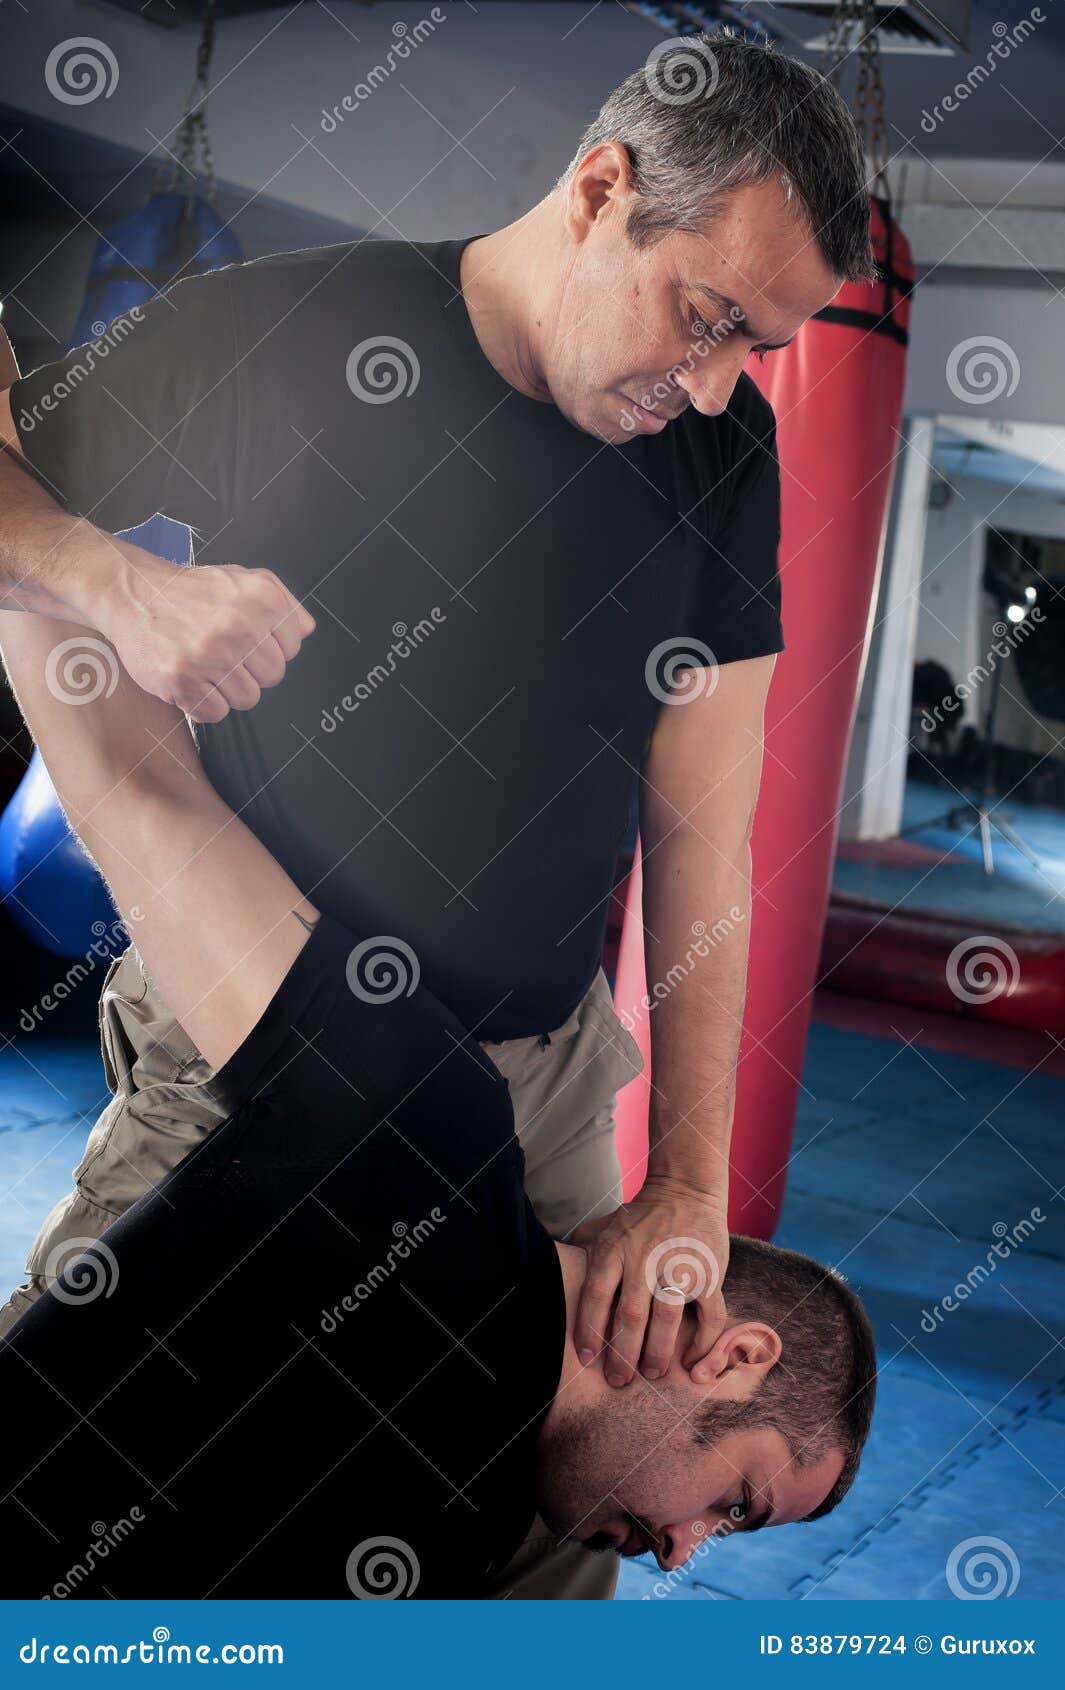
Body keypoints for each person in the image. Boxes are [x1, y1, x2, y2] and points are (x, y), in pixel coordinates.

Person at [0, 32, 877, 1596]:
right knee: (107, 1475)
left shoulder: (718, 449)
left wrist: (683, 1178)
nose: (721, 386)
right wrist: (105, 577)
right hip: (259, 1023)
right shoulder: (288, 331)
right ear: (600, 189)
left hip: (541, 1085)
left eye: (762, 348)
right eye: (709, 319)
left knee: (548, 1546)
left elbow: (703, 839)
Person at [0, 601, 877, 1599]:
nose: (685, 1551)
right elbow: (136, 788)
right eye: (736, 1503)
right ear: (737, 1355)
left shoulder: (485, 1539)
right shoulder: (420, 1136)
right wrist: (50, 543)